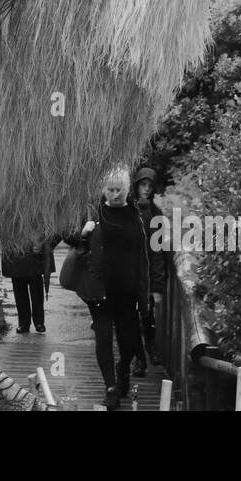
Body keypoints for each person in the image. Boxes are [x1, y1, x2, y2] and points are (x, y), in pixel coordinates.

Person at [64, 166, 157, 409]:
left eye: (119, 190)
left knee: (128, 342)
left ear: (127, 190)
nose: (114, 194)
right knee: (103, 339)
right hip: (99, 290)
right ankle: (111, 388)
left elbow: (144, 256)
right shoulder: (94, 213)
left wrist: (146, 289)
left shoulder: (136, 216)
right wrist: (83, 233)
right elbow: (66, 235)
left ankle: (123, 368)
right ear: (103, 189)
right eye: (109, 189)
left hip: (127, 292)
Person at [129, 168, 168, 375]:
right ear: (136, 185)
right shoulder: (127, 208)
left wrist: (157, 285)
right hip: (128, 272)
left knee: (146, 316)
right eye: (143, 184)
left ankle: (150, 349)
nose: (146, 189)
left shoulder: (156, 213)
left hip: (146, 274)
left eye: (149, 185)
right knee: (131, 319)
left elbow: (157, 251)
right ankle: (139, 358)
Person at [1, 238, 56, 333]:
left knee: (37, 295)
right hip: (16, 259)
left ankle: (39, 322)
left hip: (34, 260)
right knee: (20, 295)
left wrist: (42, 246)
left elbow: (50, 234)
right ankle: (24, 323)